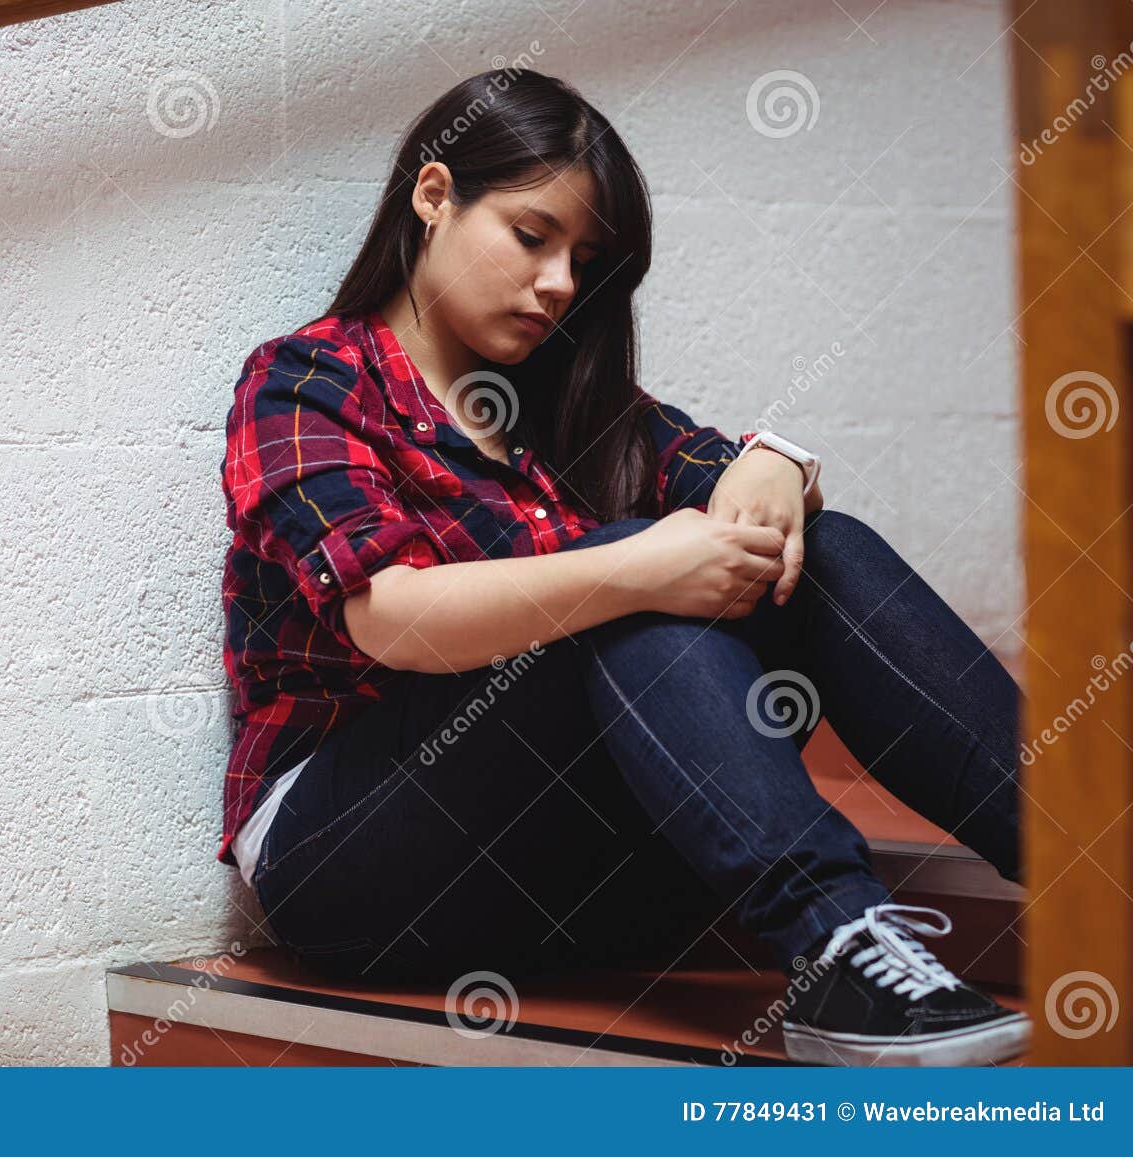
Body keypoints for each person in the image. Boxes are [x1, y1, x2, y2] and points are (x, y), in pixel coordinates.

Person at [217, 68, 1029, 1066]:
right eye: (531, 235)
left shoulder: (570, 404)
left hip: (582, 882)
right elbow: (391, 618)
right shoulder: (308, 381)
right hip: (351, 866)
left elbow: (724, 479)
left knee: (831, 551)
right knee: (616, 573)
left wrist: (776, 465)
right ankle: (835, 943)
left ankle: (1089, 859)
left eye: (583, 257)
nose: (560, 282)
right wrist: (638, 568)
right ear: (433, 196)